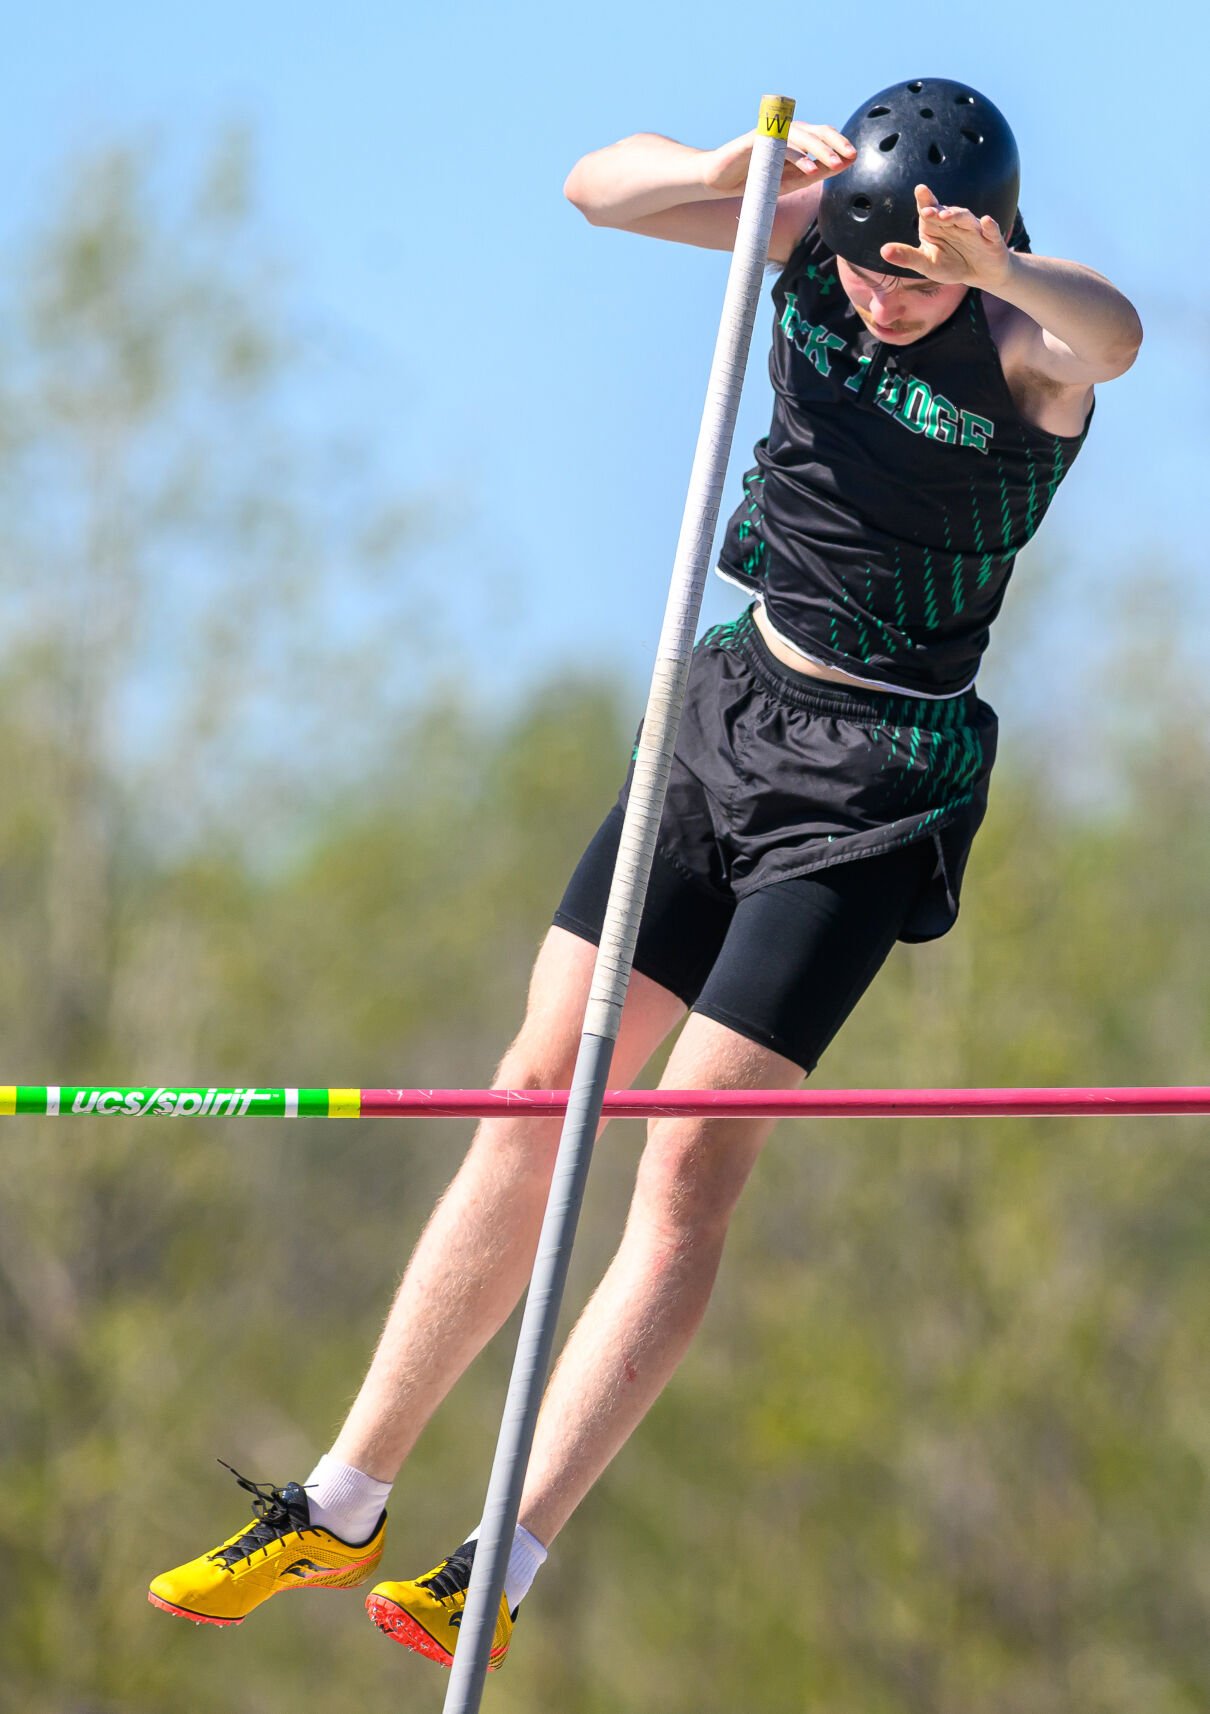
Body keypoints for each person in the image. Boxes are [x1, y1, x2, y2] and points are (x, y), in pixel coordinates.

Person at [148, 78, 1142, 1669]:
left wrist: (1000, 270)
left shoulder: (1023, 346)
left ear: (980, 248)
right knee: (534, 1080)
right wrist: (728, 174)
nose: (880, 296)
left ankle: (502, 1555)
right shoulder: (812, 236)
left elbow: (1116, 338)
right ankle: (341, 1499)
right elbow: (594, 192)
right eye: (870, 266)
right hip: (724, 710)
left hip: (874, 782)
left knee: (682, 1163)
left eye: (913, 274)